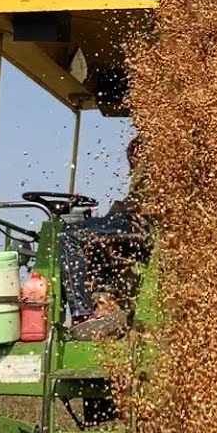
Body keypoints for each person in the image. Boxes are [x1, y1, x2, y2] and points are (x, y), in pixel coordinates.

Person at [57, 134, 146, 340]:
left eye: (134, 156)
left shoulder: (153, 175)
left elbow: (147, 210)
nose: (132, 162)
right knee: (92, 239)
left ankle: (83, 313)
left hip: (134, 226)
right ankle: (106, 304)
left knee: (69, 235)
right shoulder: (149, 177)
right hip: (128, 222)